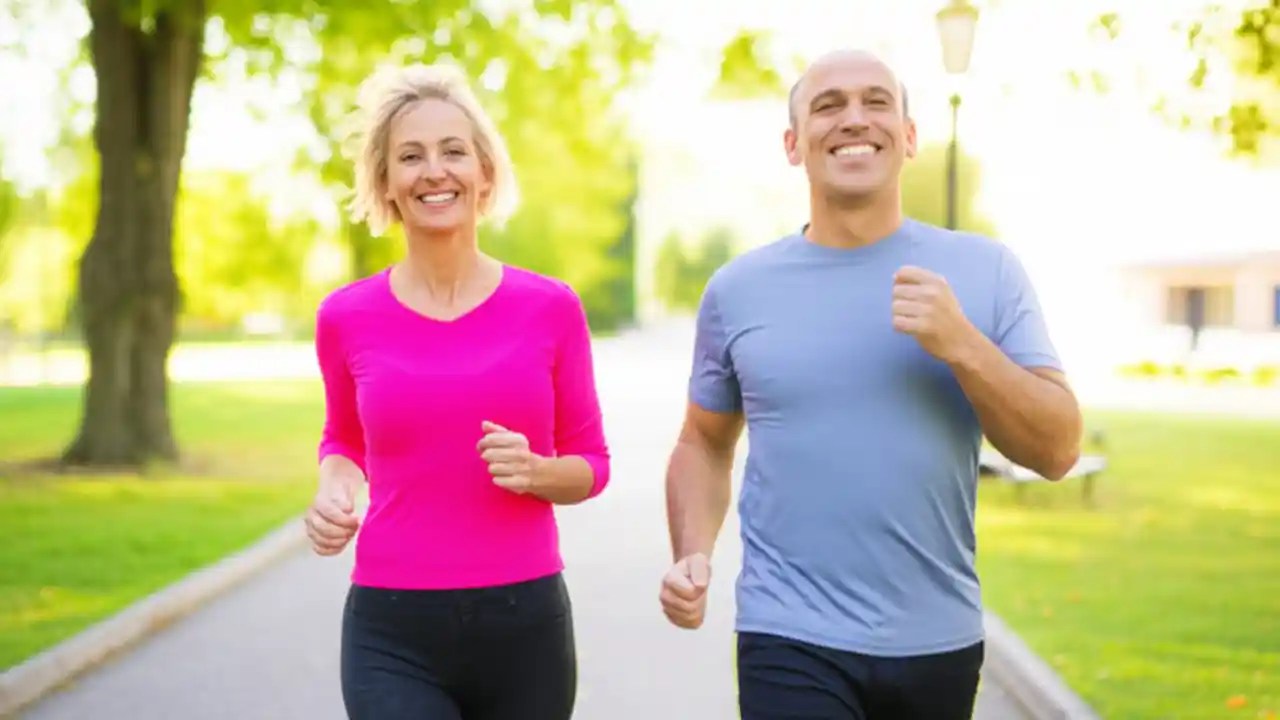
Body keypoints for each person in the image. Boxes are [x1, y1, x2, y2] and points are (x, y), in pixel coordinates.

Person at [659, 49, 1083, 720]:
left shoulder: (986, 272)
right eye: (828, 106)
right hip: (788, 633)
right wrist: (692, 553)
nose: (853, 118)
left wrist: (963, 345)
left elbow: (1057, 450)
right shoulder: (738, 290)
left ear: (909, 137)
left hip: (936, 639)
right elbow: (704, 441)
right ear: (794, 144)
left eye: (876, 101)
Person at [304, 62, 610, 720]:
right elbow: (344, 440)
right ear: (385, 183)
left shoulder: (550, 307)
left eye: (453, 152)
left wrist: (536, 471)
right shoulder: (345, 316)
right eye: (410, 156)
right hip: (391, 627)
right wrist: (334, 487)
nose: (433, 171)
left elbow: (593, 466)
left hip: (525, 624)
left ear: (486, 174)